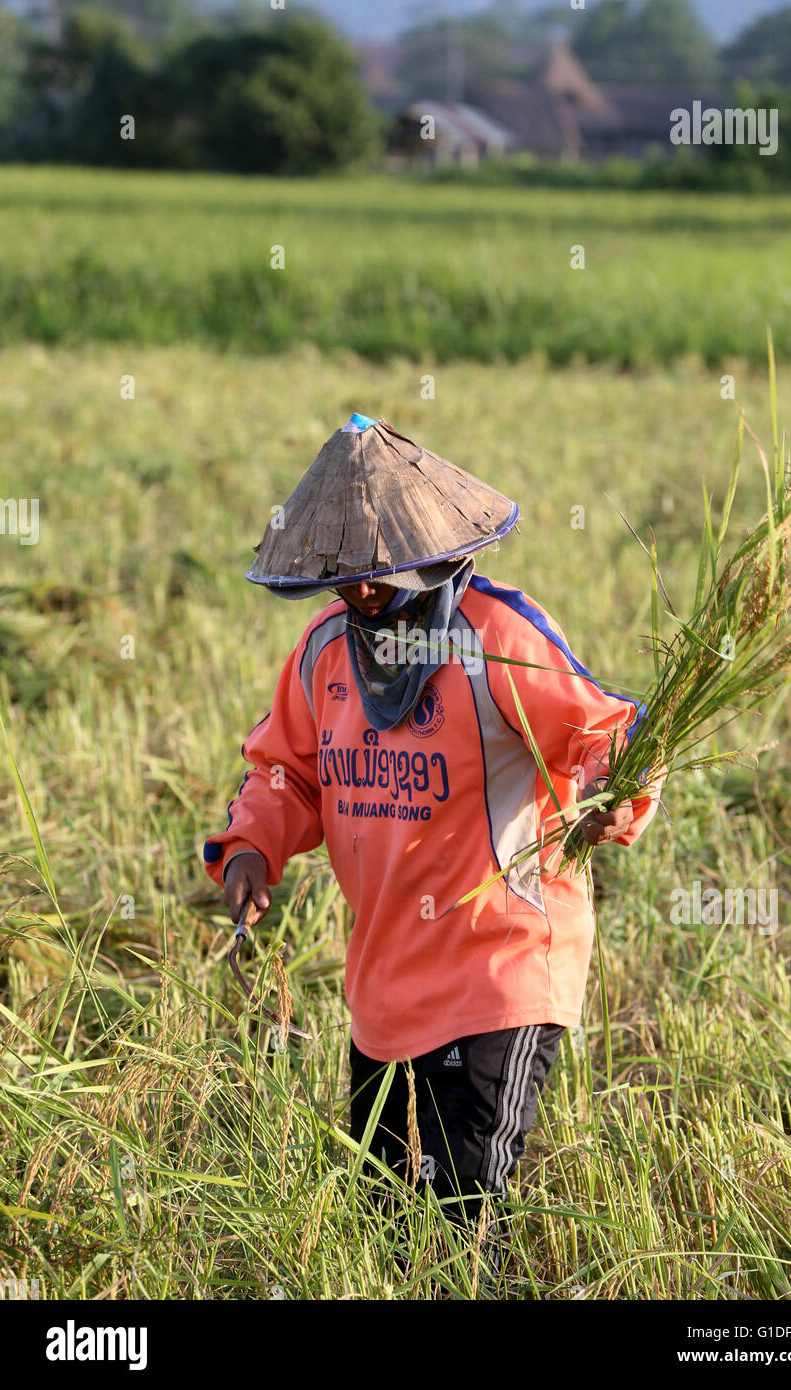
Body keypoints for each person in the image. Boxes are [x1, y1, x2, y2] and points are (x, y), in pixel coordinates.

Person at [203, 413, 664, 1275]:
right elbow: (285, 772)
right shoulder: (324, 655)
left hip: (501, 971)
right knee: (381, 1228)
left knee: (461, 1227)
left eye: (379, 571)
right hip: (383, 990)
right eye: (345, 575)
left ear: (432, 550)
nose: (363, 591)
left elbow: (606, 734)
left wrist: (614, 791)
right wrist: (253, 848)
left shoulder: (499, 639)